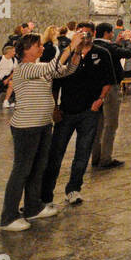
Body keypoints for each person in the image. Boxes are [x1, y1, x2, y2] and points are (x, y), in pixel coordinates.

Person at [0, 32, 84, 231]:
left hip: (43, 124)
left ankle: (33, 207)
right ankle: (8, 216)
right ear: (27, 50)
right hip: (26, 127)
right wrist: (69, 46)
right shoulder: (24, 69)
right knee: (21, 171)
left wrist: (77, 52)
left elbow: (65, 71)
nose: (42, 48)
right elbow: (53, 66)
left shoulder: (38, 67)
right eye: (38, 45)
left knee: (38, 168)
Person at [41, 24, 113, 207]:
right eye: (81, 33)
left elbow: (108, 80)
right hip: (66, 110)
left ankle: (73, 189)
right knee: (55, 153)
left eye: (88, 33)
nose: (85, 36)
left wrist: (100, 99)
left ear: (94, 34)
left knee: (82, 153)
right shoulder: (66, 55)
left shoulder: (102, 54)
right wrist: (54, 108)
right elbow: (55, 82)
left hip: (89, 111)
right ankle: (46, 195)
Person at [92, 22, 131, 168]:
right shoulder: (109, 48)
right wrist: (128, 42)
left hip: (95, 89)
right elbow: (128, 53)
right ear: (106, 33)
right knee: (111, 124)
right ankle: (106, 159)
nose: (112, 35)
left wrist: (116, 43)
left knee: (98, 124)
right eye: (111, 33)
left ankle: (96, 157)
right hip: (110, 88)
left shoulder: (93, 45)